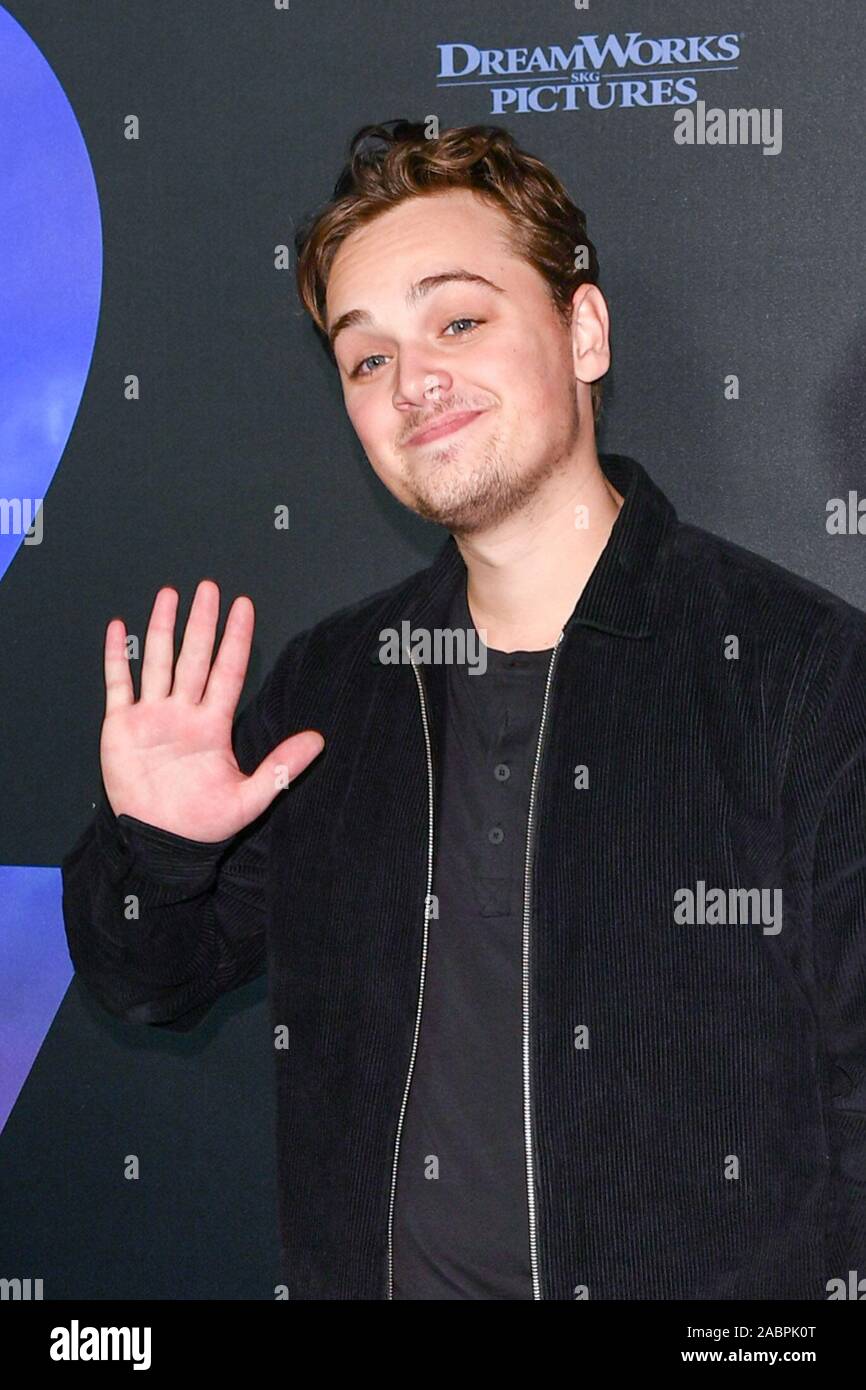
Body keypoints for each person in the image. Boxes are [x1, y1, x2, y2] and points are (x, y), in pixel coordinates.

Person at [62, 119, 866, 1300]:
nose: (412, 380)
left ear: (581, 331)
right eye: (365, 357)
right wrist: (159, 851)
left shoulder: (798, 673)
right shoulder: (330, 689)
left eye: (458, 318)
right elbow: (150, 978)